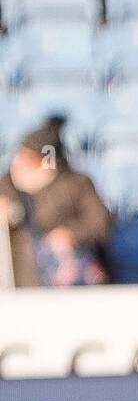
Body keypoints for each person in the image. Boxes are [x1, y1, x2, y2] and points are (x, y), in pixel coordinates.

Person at [0, 117, 112, 288]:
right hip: (22, 286)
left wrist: (71, 234)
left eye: (30, 159)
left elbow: (100, 222)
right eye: (21, 156)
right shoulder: (8, 185)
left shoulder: (77, 184)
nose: (20, 164)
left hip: (69, 285)